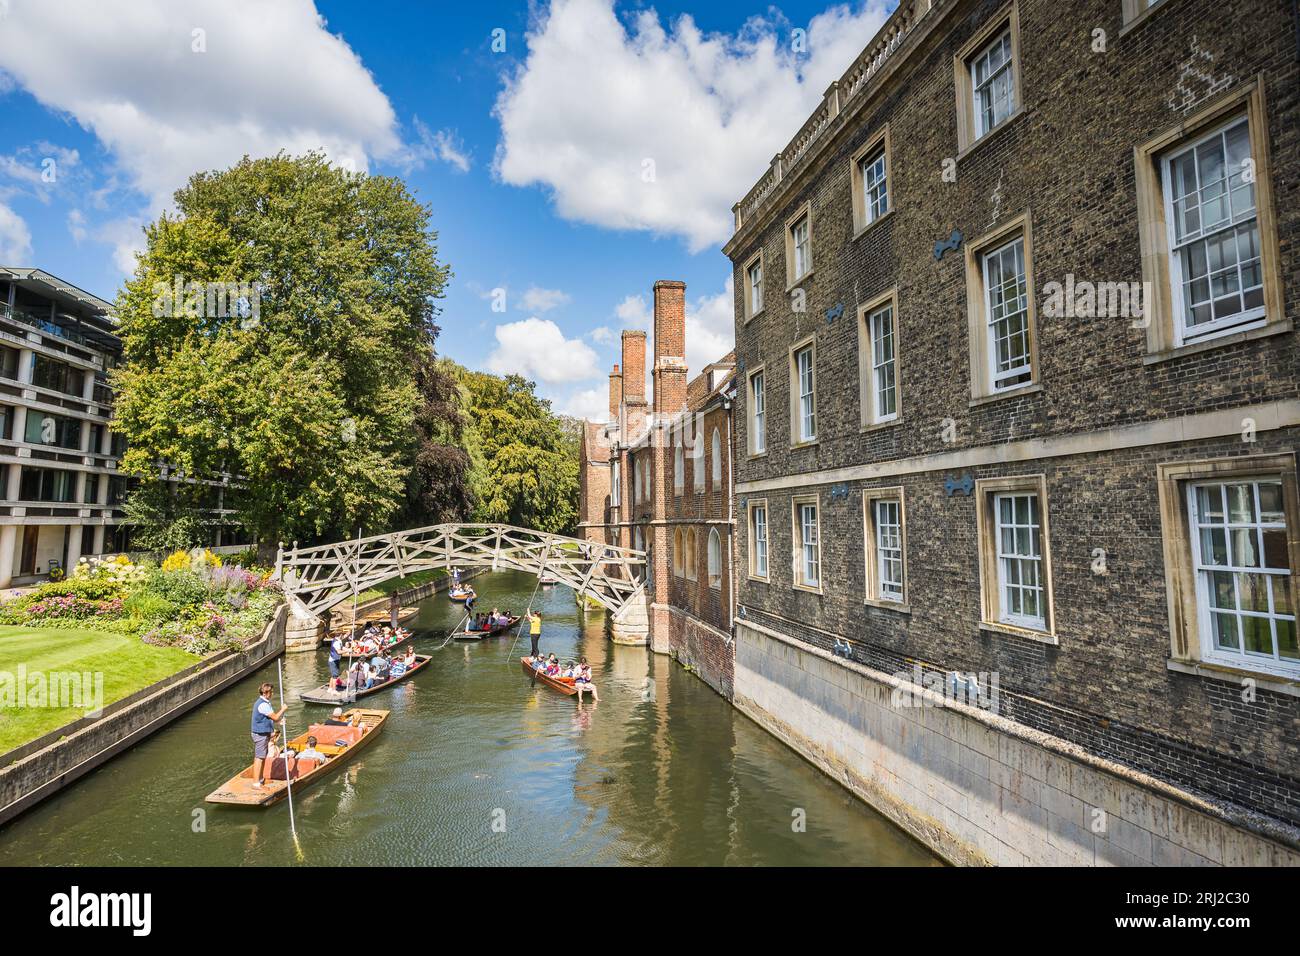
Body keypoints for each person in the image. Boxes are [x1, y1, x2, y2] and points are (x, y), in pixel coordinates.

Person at [250, 682, 287, 789]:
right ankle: (256, 783)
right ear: (266, 693)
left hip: (263, 733)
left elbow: (267, 718)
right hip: (260, 734)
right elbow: (274, 717)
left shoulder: (265, 702)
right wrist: (283, 709)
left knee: (262, 757)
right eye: (271, 692)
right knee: (259, 758)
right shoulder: (263, 704)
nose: (272, 693)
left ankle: (261, 780)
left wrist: (279, 721)